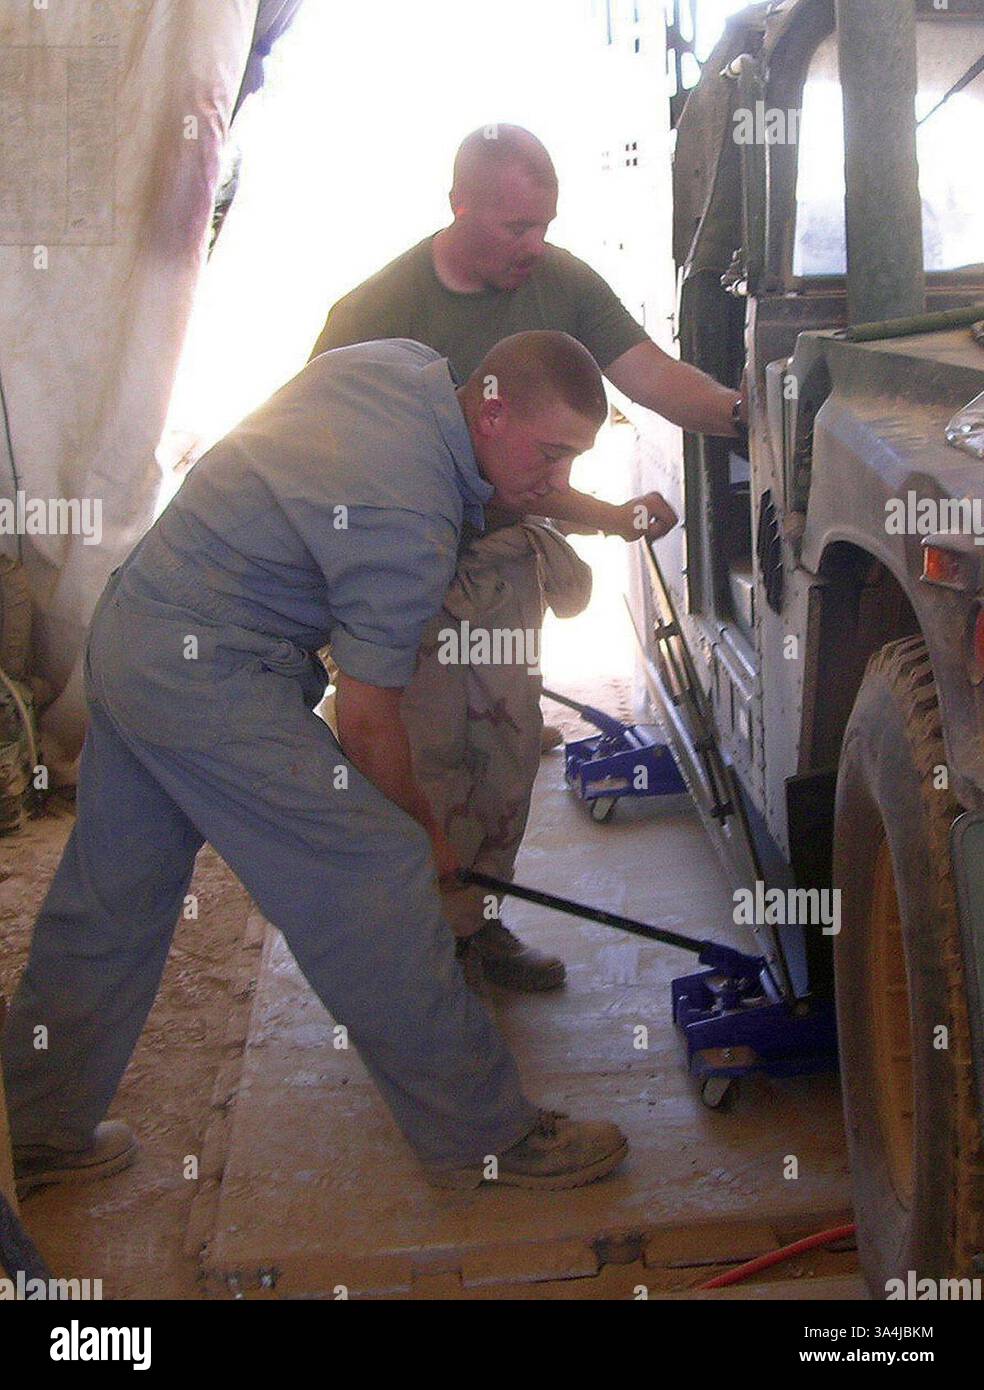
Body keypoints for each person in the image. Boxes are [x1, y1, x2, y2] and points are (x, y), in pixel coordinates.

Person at [2, 332, 629, 1194]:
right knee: (374, 868)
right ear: (490, 409)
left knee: (112, 898)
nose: (558, 479)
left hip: (139, 627)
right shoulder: (406, 519)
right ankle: (483, 1134)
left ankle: (33, 1131)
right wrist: (430, 845)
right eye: (551, 453)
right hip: (205, 674)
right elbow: (369, 721)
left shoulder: (402, 367)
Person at [311, 125, 747, 992]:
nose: (533, 247)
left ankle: (476, 924)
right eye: (515, 228)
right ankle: (410, 953)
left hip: (504, 573)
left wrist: (754, 416)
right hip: (406, 579)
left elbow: (653, 377)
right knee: (417, 761)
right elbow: (315, 465)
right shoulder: (372, 315)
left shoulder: (561, 282)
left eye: (544, 225)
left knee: (503, 759)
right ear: (458, 205)